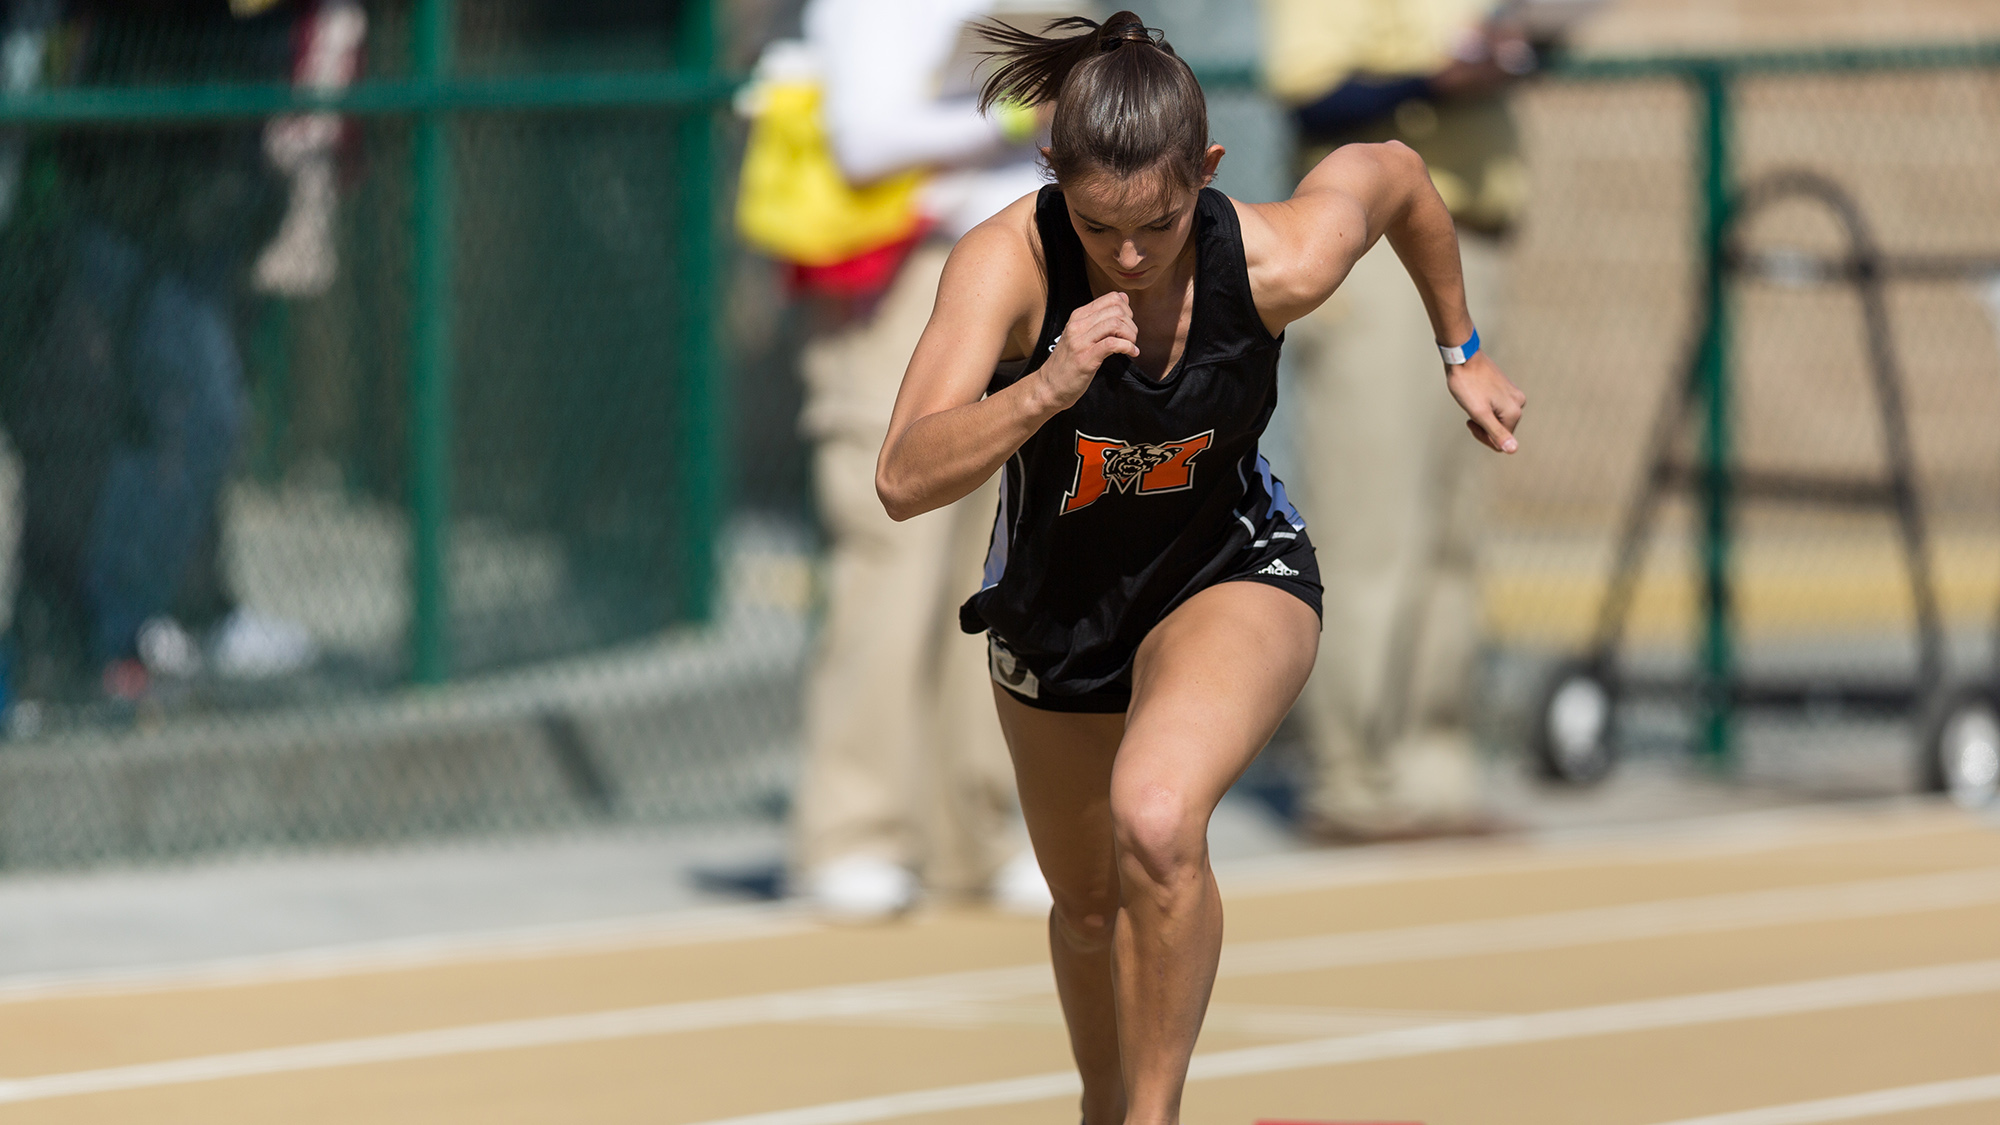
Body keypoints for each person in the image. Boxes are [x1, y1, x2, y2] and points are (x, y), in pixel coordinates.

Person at [877, 12, 1525, 1123]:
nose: (1128, 257)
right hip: (1058, 609)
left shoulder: (1278, 256)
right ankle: (1105, 1103)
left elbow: (1400, 176)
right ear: (1052, 177)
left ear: (1208, 174)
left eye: (1159, 225)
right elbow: (901, 474)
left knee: (1158, 817)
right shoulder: (1006, 265)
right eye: (1098, 226)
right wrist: (1043, 385)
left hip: (1228, 567)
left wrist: (1458, 348)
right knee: (1085, 909)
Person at [786, 0, 1068, 918]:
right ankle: (856, 831)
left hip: (1014, 271)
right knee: (890, 560)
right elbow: (864, 142)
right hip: (904, 282)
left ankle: (978, 835)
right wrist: (1026, 115)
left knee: (1002, 566)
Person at [1261, 0, 1539, 841]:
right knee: (1372, 521)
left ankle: (1433, 768)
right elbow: (1307, 93)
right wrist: (1435, 76)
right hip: (1376, 253)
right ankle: (1352, 774)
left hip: (1470, 239)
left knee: (1452, 530)